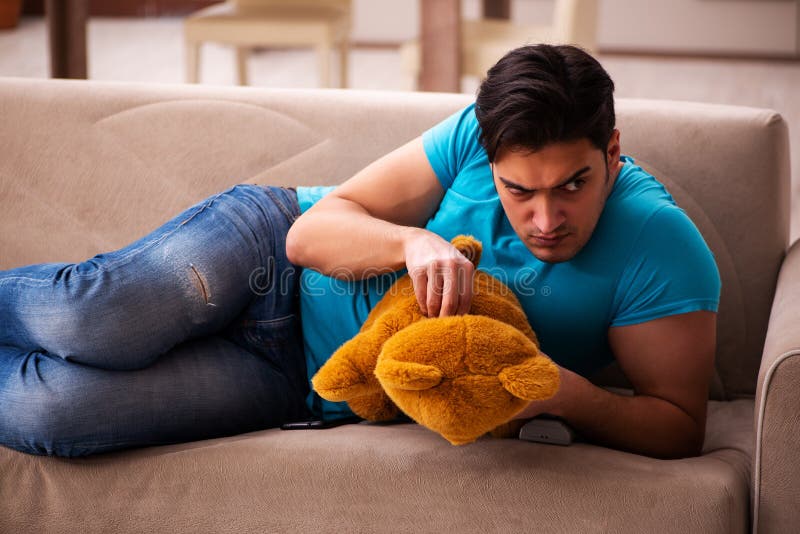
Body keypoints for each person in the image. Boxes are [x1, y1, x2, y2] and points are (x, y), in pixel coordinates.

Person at [0, 44, 719, 460]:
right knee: (91, 324)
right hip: (267, 245)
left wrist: (560, 391)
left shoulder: (660, 246)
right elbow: (311, 235)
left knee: (56, 417)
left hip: (298, 379)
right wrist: (413, 240)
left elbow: (680, 424)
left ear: (612, 151)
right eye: (516, 190)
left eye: (573, 185)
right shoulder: (477, 129)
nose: (545, 218)